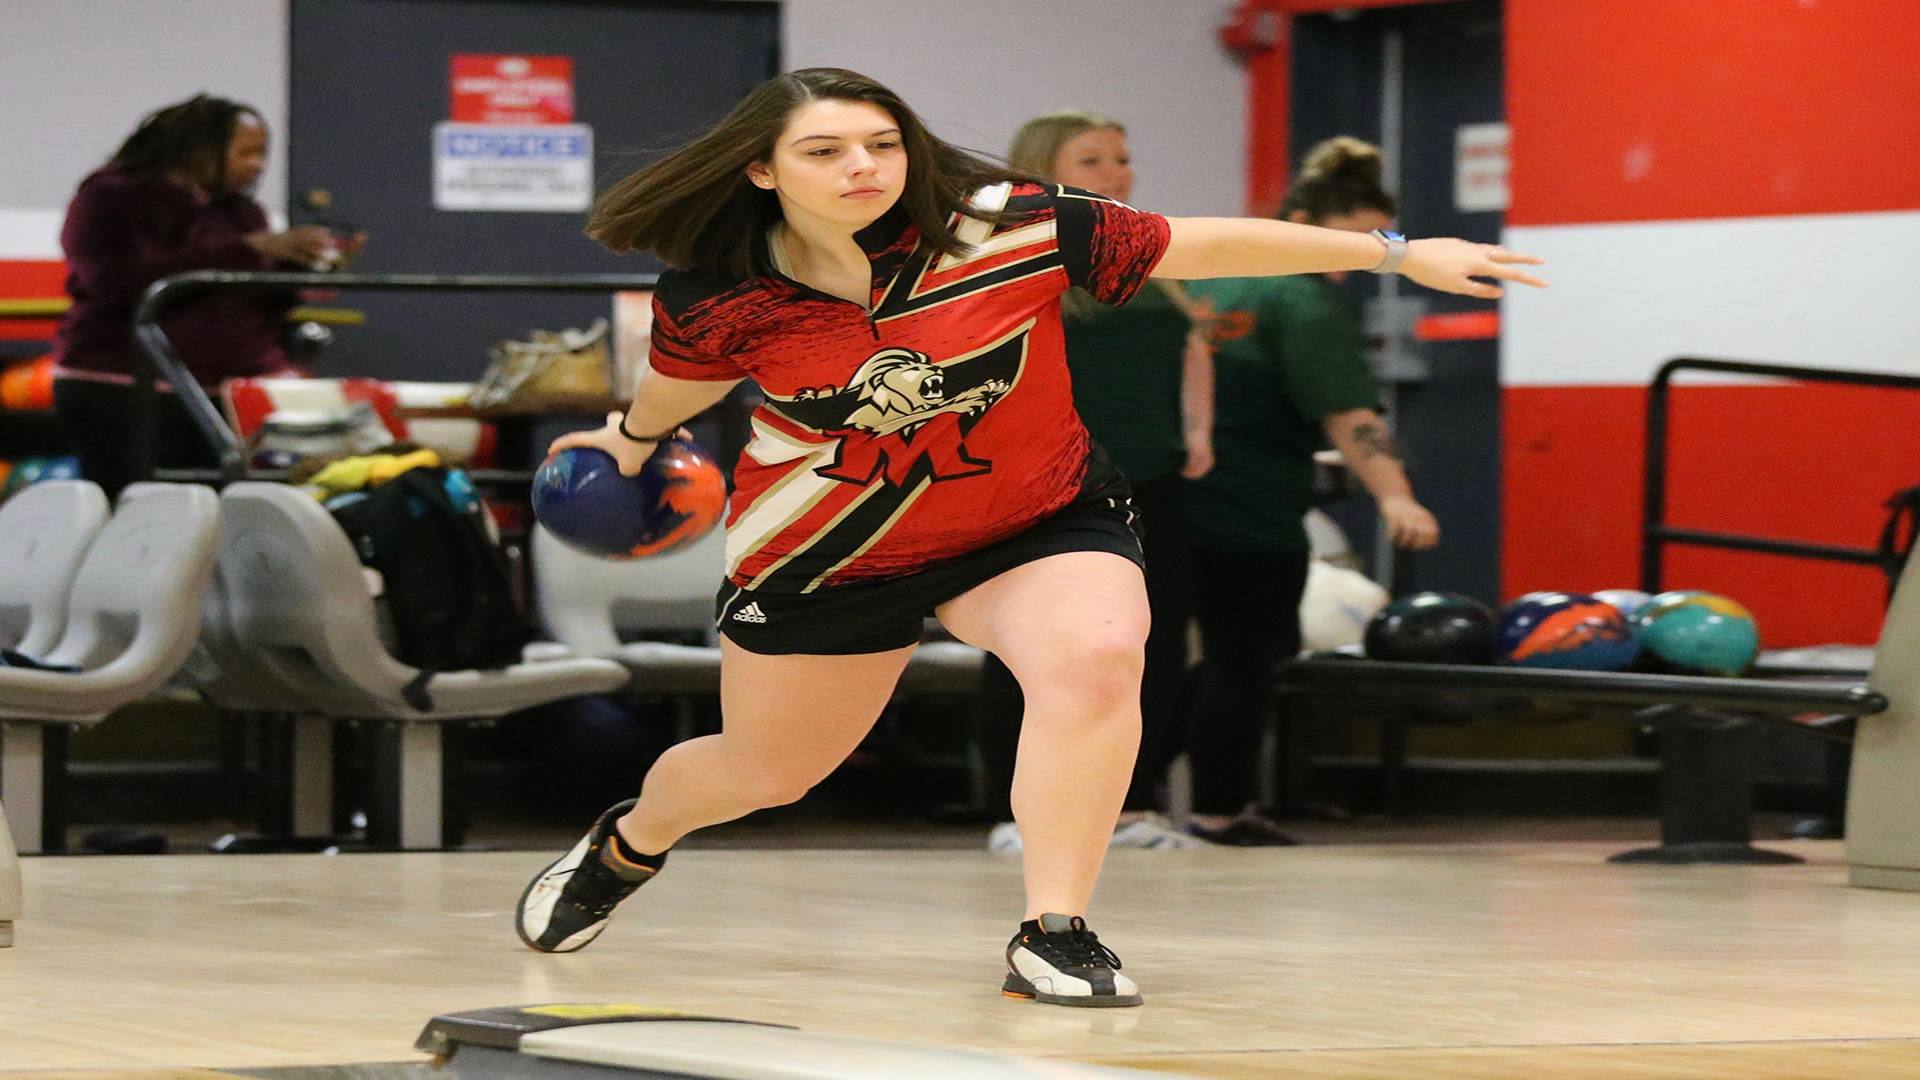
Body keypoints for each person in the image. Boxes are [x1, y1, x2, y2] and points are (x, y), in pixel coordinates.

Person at [514, 70, 1543, 1007]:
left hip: (1038, 515)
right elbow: (673, 392)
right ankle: (628, 843)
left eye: (881, 142)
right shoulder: (721, 293)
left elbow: (1202, 242)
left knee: (1097, 656)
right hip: (828, 547)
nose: (862, 166)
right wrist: (631, 444)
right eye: (824, 151)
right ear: (762, 170)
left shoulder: (1010, 226)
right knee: (763, 773)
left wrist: (1397, 252)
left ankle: (1056, 929)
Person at [1181, 137, 1442, 845]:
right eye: (1357, 238)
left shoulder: (1205, 281)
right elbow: (1350, 414)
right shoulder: (1304, 298)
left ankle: (1138, 809)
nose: (1369, 253)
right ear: (1297, 224)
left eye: (1382, 241)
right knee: (1247, 658)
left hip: (1158, 501)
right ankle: (1219, 809)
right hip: (1250, 508)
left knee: (1162, 659)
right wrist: (1394, 495)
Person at [975, 111, 1214, 852]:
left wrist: (1198, 431)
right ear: (1042, 171)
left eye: (1122, 157)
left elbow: (1192, 342)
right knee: (1032, 645)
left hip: (1151, 474)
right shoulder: (1017, 259)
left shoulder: (1140, 251)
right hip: (1049, 481)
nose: (1119, 172)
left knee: (1156, 640)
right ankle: (1022, 814)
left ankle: (1133, 808)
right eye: (1094, 159)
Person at [53, 94, 364, 497]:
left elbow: (251, 301)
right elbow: (114, 279)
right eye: (246, 152)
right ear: (198, 148)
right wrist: (255, 249)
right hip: (124, 385)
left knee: (219, 514)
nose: (257, 165)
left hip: (223, 392)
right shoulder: (111, 196)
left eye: (263, 154)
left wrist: (306, 269)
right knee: (140, 511)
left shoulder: (241, 212)